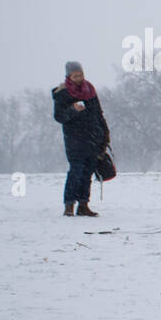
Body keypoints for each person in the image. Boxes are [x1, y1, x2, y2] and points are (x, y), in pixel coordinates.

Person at [52, 61, 110, 216]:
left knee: (88, 173)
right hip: (75, 140)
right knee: (75, 172)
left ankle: (83, 205)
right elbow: (59, 116)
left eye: (81, 75)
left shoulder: (90, 90)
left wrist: (104, 133)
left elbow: (98, 113)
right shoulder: (62, 94)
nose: (79, 78)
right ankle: (69, 205)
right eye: (75, 75)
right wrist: (72, 110)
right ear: (69, 76)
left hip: (93, 138)